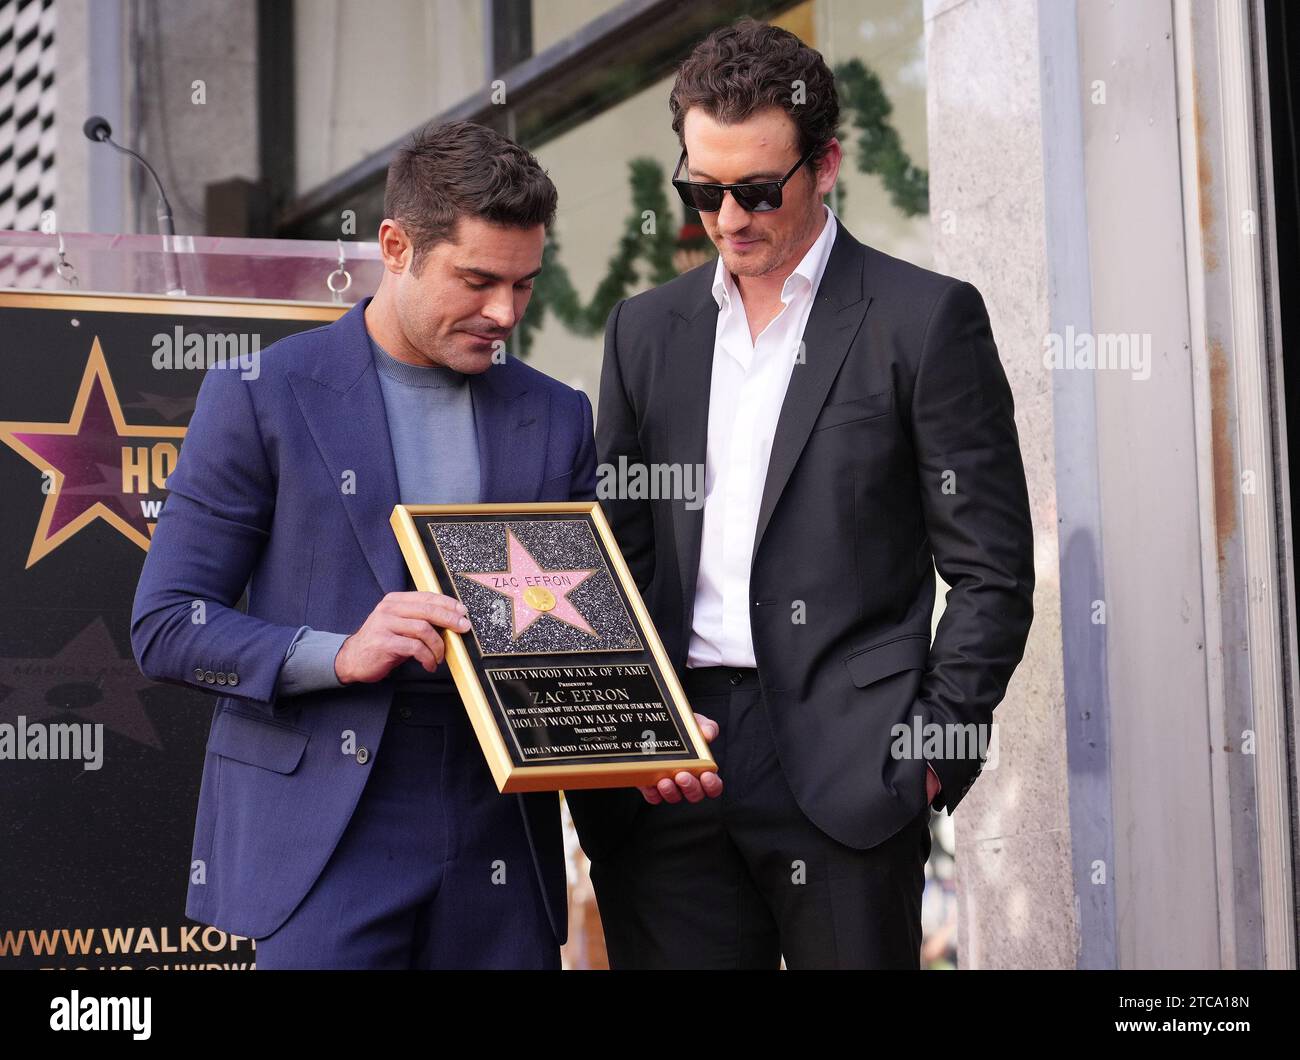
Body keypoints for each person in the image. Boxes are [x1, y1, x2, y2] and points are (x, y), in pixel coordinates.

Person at [566, 18, 1034, 969]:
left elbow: (992, 572)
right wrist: (634, 714)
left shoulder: (925, 320)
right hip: (670, 767)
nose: (728, 218)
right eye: (702, 190)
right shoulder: (644, 332)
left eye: (755, 190)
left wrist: (929, 759)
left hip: (855, 771)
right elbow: (614, 553)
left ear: (825, 164)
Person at [131, 120, 596, 969]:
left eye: (526, 285)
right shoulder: (260, 396)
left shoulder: (558, 414)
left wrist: (643, 722)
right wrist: (337, 654)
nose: (505, 313)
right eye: (479, 279)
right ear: (394, 245)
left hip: (501, 830)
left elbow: (576, 632)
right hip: (322, 836)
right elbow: (166, 624)